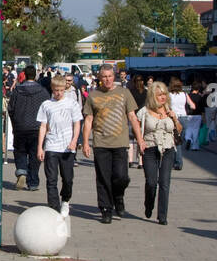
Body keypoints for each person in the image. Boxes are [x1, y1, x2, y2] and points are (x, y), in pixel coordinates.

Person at [82, 63, 146, 224]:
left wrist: (140, 140)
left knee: (121, 177)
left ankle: (118, 196)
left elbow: (132, 117)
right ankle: (106, 209)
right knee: (103, 178)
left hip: (120, 143)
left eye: (110, 76)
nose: (108, 79)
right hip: (101, 143)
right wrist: (85, 143)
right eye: (104, 77)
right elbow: (88, 120)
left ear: (114, 76)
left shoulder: (124, 93)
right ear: (99, 78)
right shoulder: (93, 96)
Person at [138, 81, 183, 225]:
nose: (162, 97)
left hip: (168, 149)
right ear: (152, 96)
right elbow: (136, 128)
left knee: (164, 182)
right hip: (150, 148)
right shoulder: (144, 112)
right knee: (151, 182)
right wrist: (140, 142)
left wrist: (174, 118)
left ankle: (162, 216)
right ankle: (149, 205)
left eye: (164, 94)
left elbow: (179, 130)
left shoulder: (169, 110)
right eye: (159, 95)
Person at [36, 76, 82, 214]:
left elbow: (77, 123)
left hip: (67, 146)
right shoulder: (46, 105)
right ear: (52, 89)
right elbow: (43, 126)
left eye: (61, 90)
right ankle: (53, 207)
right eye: (56, 90)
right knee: (51, 179)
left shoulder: (71, 104)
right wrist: (40, 147)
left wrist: (74, 140)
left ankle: (66, 200)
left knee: (67, 178)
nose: (58, 93)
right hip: (51, 146)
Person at [7, 65, 47, 191]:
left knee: (20, 151)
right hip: (37, 127)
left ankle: (21, 171)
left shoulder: (17, 91)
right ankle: (33, 182)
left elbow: (11, 109)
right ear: (35, 75)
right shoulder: (42, 92)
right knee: (35, 154)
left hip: (20, 126)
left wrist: (15, 122)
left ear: (24, 74)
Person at [167, 77, 189, 171]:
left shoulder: (169, 95)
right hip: (184, 117)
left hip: (174, 118)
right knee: (179, 139)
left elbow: (167, 107)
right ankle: (188, 138)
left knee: (175, 141)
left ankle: (178, 162)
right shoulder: (184, 94)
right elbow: (192, 105)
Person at [186, 79, 207, 150]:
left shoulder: (187, 96)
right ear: (198, 88)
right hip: (198, 115)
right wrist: (204, 117)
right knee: (196, 130)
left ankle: (188, 139)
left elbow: (185, 106)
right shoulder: (200, 97)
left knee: (188, 129)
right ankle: (195, 146)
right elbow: (202, 108)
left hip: (189, 115)